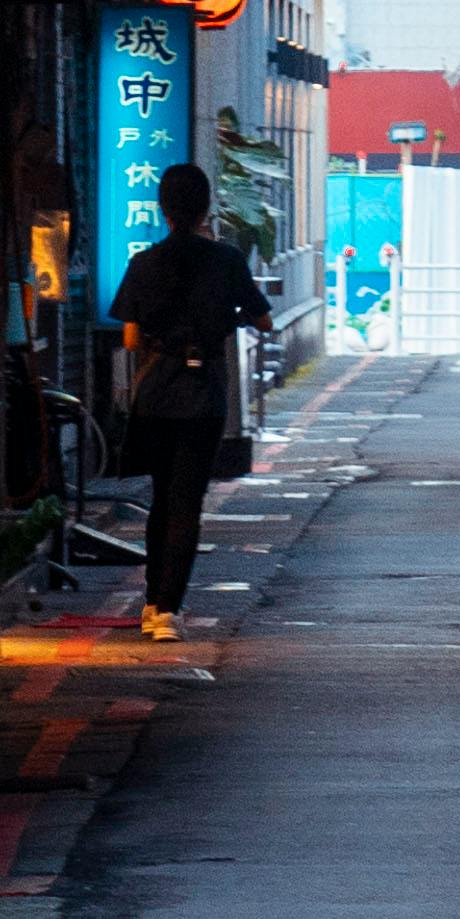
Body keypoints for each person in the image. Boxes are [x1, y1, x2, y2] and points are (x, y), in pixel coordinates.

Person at [102, 160, 275, 640]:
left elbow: (132, 340)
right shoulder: (227, 260)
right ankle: (167, 611)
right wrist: (228, 314)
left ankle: (153, 599)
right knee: (187, 503)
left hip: (157, 394)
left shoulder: (144, 263)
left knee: (161, 499)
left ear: (163, 209)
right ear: (206, 207)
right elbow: (265, 320)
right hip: (203, 396)